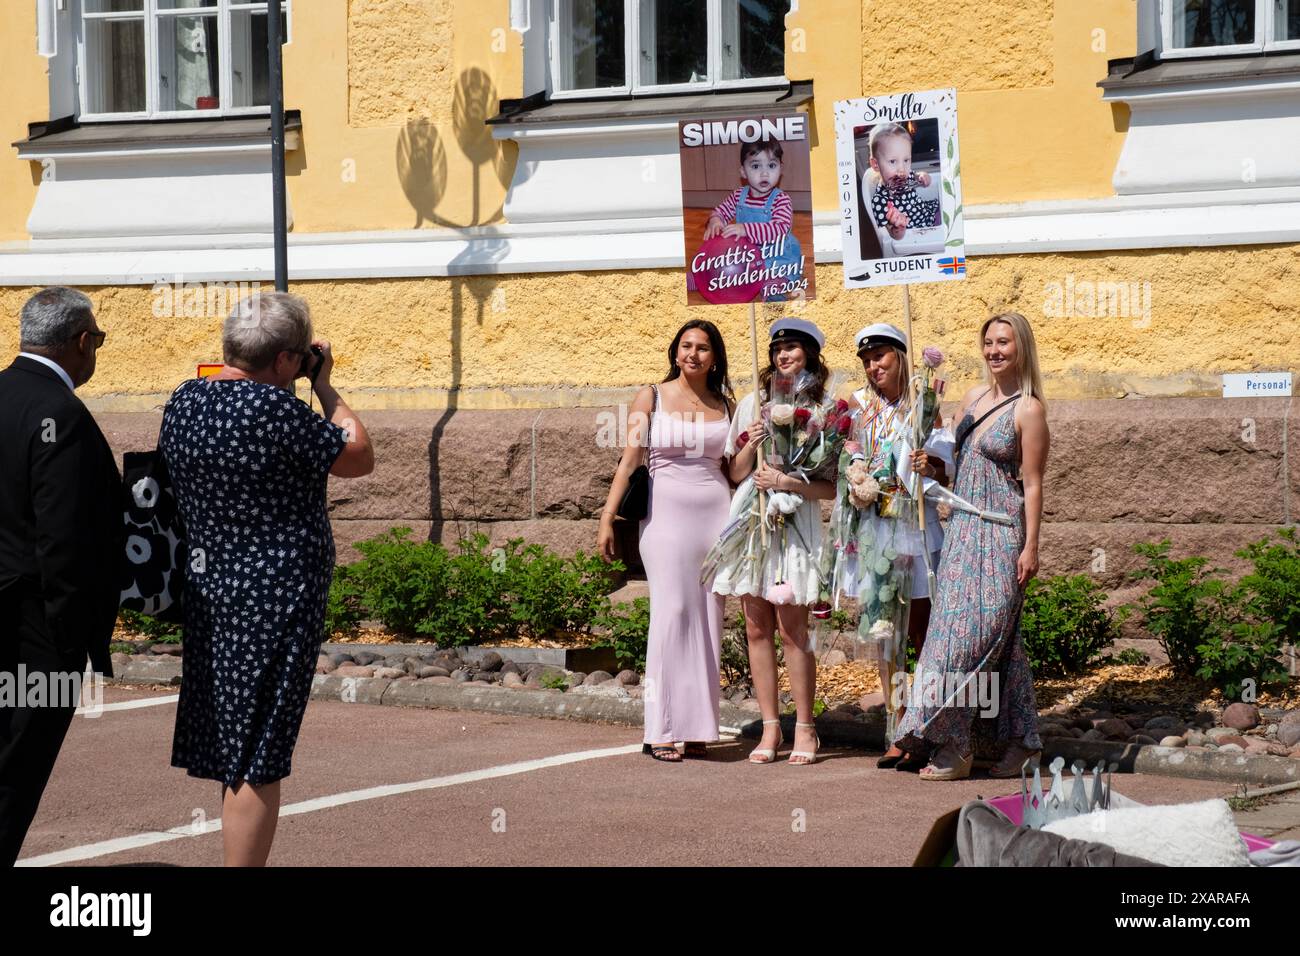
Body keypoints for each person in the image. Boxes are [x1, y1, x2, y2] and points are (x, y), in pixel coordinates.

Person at [160, 291, 374, 864]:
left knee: (235, 738)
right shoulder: (279, 412)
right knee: (259, 752)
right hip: (276, 600)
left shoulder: (185, 400)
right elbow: (358, 454)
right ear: (285, 359)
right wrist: (325, 386)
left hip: (209, 594)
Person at [893, 311, 1049, 781]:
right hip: (961, 529)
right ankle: (1019, 745)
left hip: (1001, 533)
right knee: (990, 645)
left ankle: (956, 746)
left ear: (1020, 347)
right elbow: (957, 469)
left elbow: (1035, 485)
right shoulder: (972, 398)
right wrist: (932, 469)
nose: (994, 351)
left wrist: (1032, 547)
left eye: (1004, 342)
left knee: (969, 642)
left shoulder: (1029, 409)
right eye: (988, 342)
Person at [0, 287, 124, 866]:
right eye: (96, 339)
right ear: (80, 342)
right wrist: (75, 640)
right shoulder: (61, 413)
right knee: (14, 771)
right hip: (36, 630)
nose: (96, 350)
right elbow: (65, 537)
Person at [598, 321, 734, 762]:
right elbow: (629, 460)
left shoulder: (726, 404)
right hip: (665, 516)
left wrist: (761, 439)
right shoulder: (650, 396)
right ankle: (660, 728)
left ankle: (697, 728)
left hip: (716, 513)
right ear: (675, 351)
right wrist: (607, 518)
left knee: (710, 616)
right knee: (672, 611)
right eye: (686, 345)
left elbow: (732, 470)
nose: (693, 353)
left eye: (703, 348)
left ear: (715, 357)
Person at [711, 318, 836, 765]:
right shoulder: (753, 402)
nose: (784, 355)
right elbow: (736, 471)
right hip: (752, 517)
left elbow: (831, 486)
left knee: (792, 626)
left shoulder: (824, 408)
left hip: (795, 516)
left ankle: (805, 727)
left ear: (810, 355)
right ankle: (769, 727)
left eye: (794, 348)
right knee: (755, 625)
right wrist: (753, 444)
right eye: (778, 348)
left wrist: (787, 480)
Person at [838, 323, 953, 770]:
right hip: (876, 530)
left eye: (882, 356)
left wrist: (933, 463)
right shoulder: (859, 405)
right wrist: (855, 470)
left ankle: (926, 724)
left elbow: (944, 467)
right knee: (887, 632)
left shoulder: (924, 402)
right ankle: (898, 721)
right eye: (867, 360)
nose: (873, 366)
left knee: (923, 630)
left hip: (915, 525)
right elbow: (845, 453)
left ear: (902, 357)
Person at [703, 137, 803, 300]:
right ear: (743, 171)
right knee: (720, 270)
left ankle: (775, 288)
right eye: (756, 166)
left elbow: (779, 229)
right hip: (748, 257)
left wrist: (746, 229)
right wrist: (715, 220)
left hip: (777, 257)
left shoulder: (781, 199)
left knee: (773, 279)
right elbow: (720, 211)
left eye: (771, 165)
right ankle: (703, 277)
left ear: (780, 168)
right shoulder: (737, 196)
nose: (765, 173)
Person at [867, 123, 939, 241]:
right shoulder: (880, 202)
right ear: (876, 164)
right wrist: (898, 228)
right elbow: (893, 236)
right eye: (893, 161)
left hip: (926, 212)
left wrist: (923, 176)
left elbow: (916, 176)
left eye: (906, 160)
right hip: (917, 233)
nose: (902, 169)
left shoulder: (907, 174)